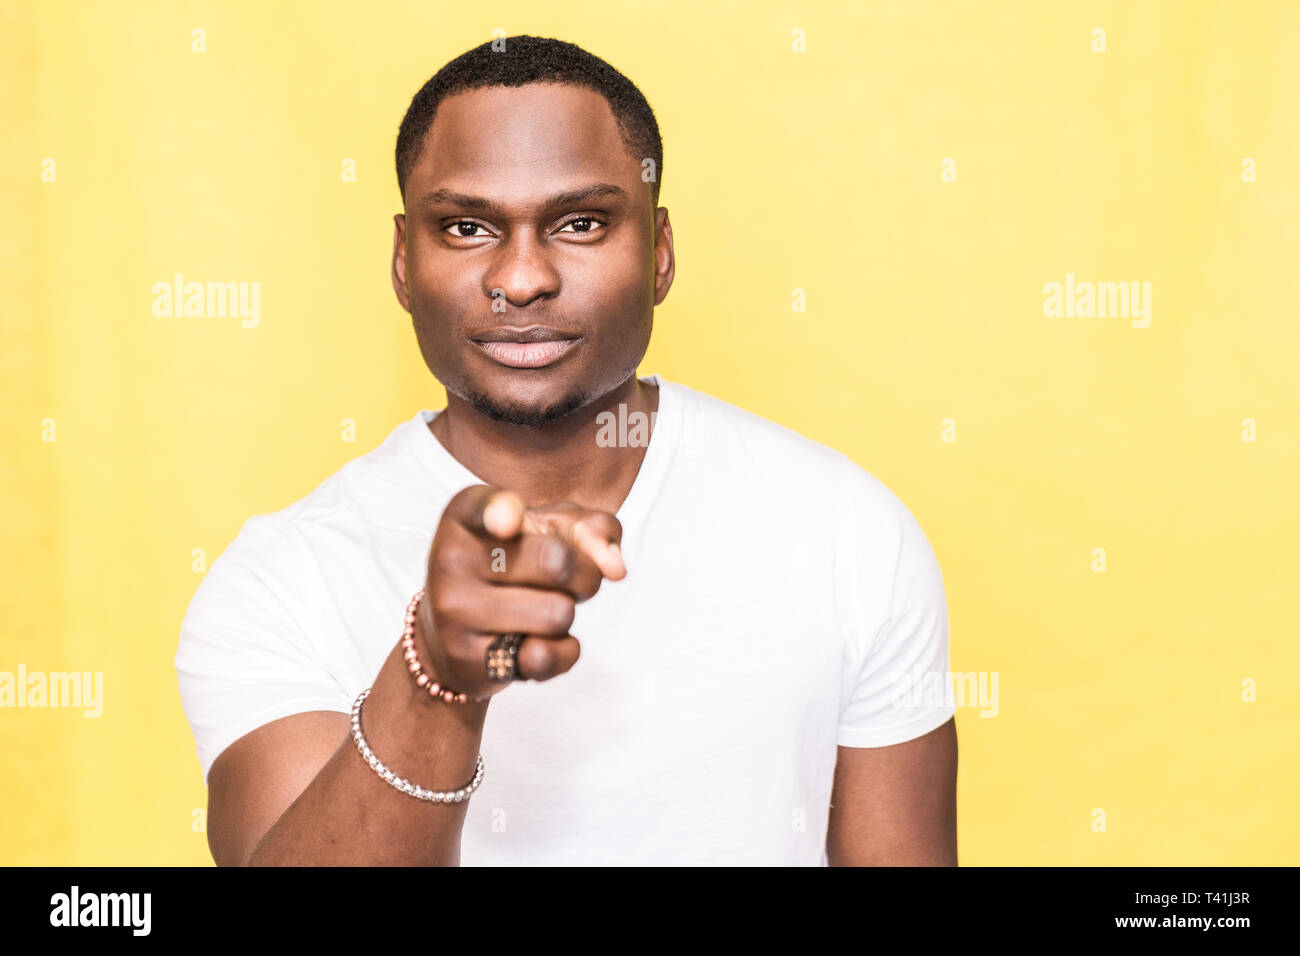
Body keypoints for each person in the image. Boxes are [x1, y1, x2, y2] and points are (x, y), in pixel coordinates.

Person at [175, 34, 958, 866]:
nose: (521, 278)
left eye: (580, 222)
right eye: (467, 226)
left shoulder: (845, 530)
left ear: (658, 251)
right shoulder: (279, 579)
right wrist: (435, 678)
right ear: (405, 261)